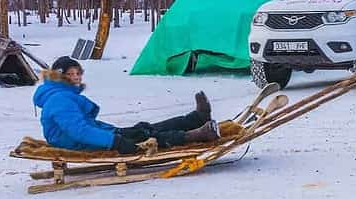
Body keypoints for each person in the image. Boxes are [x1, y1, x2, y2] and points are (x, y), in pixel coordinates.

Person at [33, 56, 220, 154]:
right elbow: (79, 131)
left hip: (88, 138)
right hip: (81, 144)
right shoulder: (60, 100)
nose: (77, 77)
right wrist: (114, 141)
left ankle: (195, 119)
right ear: (59, 76)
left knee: (143, 128)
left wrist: (112, 135)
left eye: (78, 73)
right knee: (144, 136)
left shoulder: (60, 95)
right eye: (71, 74)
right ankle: (196, 135)